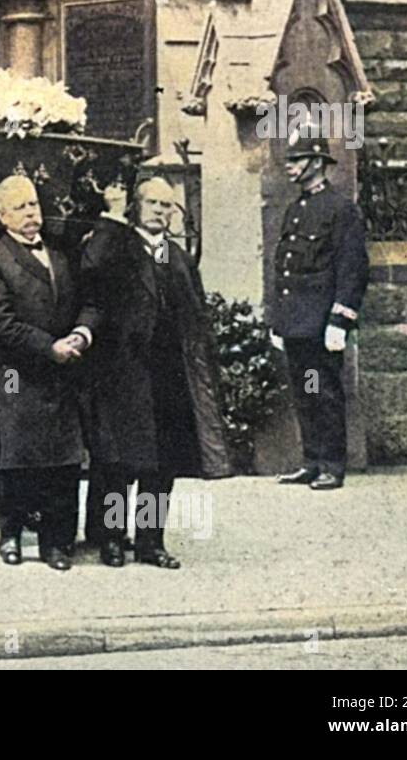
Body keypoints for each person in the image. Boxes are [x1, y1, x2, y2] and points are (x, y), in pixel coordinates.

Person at [78, 177, 232, 569]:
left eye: (168, 205)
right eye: (154, 204)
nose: (161, 212)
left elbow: (196, 312)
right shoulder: (118, 245)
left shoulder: (178, 257)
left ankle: (150, 541)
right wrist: (111, 218)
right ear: (136, 206)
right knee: (117, 464)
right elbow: (92, 268)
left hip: (169, 376)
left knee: (161, 467)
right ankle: (111, 538)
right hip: (123, 375)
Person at [0, 175, 95, 571]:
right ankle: (10, 534)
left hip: (66, 370)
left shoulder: (62, 255)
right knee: (20, 458)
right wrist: (49, 347)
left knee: (63, 461)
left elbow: (90, 301)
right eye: (22, 207)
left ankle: (56, 542)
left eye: (35, 205)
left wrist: (81, 333)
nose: (31, 213)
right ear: (3, 215)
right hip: (18, 372)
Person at [270, 125, 369, 491]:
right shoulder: (295, 210)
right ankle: (311, 460)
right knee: (306, 392)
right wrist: (279, 322)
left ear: (316, 162)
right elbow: (284, 270)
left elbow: (352, 269)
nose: (289, 166)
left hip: (320, 326)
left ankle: (331, 464)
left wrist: (339, 320)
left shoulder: (340, 210)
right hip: (297, 326)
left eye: (296, 160)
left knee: (325, 393)